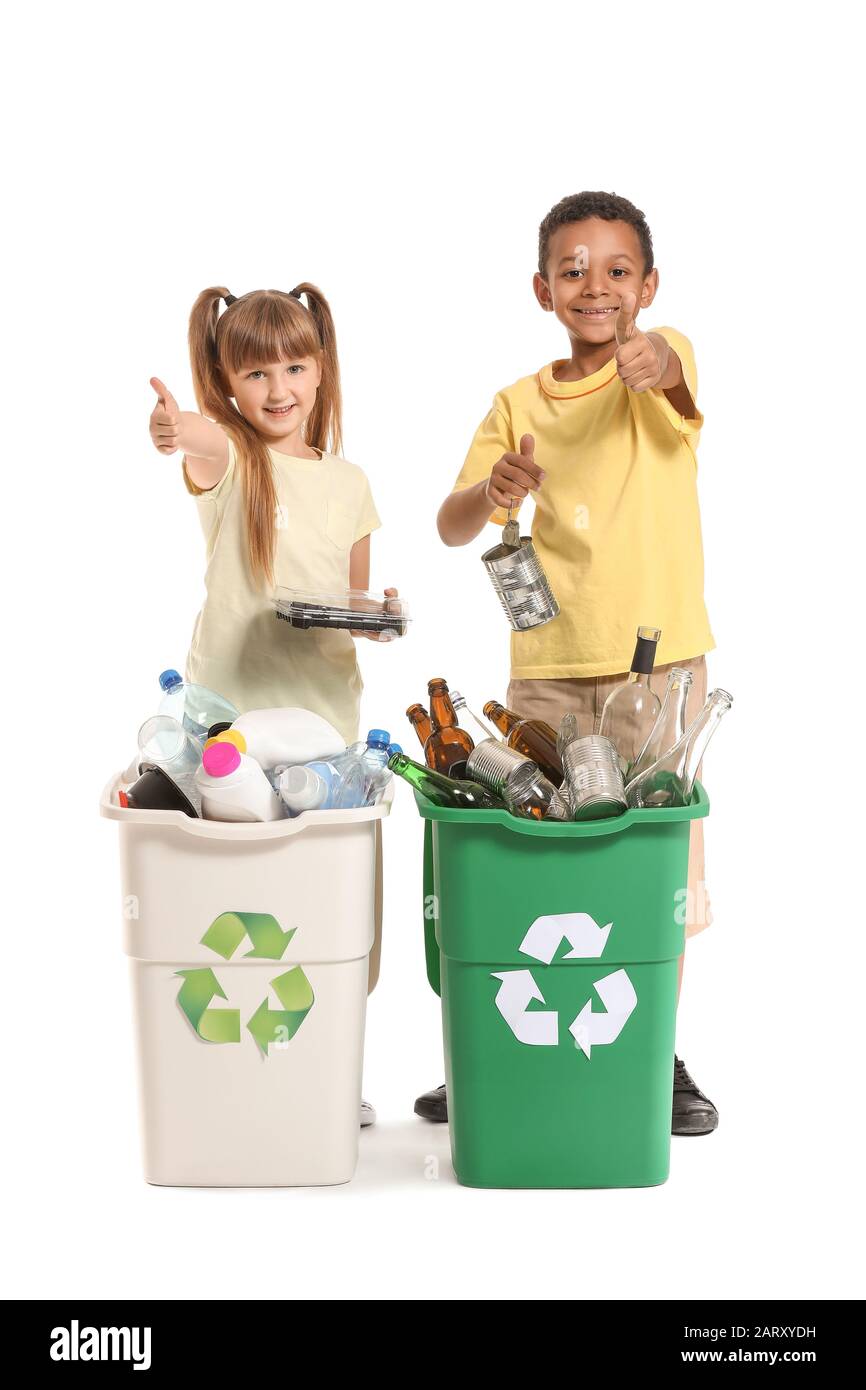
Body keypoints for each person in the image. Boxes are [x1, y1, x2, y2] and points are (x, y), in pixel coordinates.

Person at [415, 191, 717, 1136]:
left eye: (617, 270)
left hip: (656, 664)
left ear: (648, 286)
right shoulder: (518, 403)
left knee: (642, 858)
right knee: (530, 850)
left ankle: (651, 1049)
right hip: (546, 665)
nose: (597, 286)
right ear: (542, 289)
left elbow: (671, 377)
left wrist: (655, 357)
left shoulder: (661, 364)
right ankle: (497, 1038)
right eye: (574, 270)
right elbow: (455, 522)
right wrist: (492, 487)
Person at [149, 283, 397, 1127]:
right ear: (226, 382)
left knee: (329, 917)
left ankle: (322, 1079)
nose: (279, 388)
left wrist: (381, 616)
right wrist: (176, 426)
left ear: (322, 370)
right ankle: (231, 1084)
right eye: (255, 373)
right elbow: (195, 438)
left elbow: (353, 606)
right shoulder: (230, 460)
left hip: (324, 729)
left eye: (295, 366)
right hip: (229, 729)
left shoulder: (352, 484)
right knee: (231, 912)